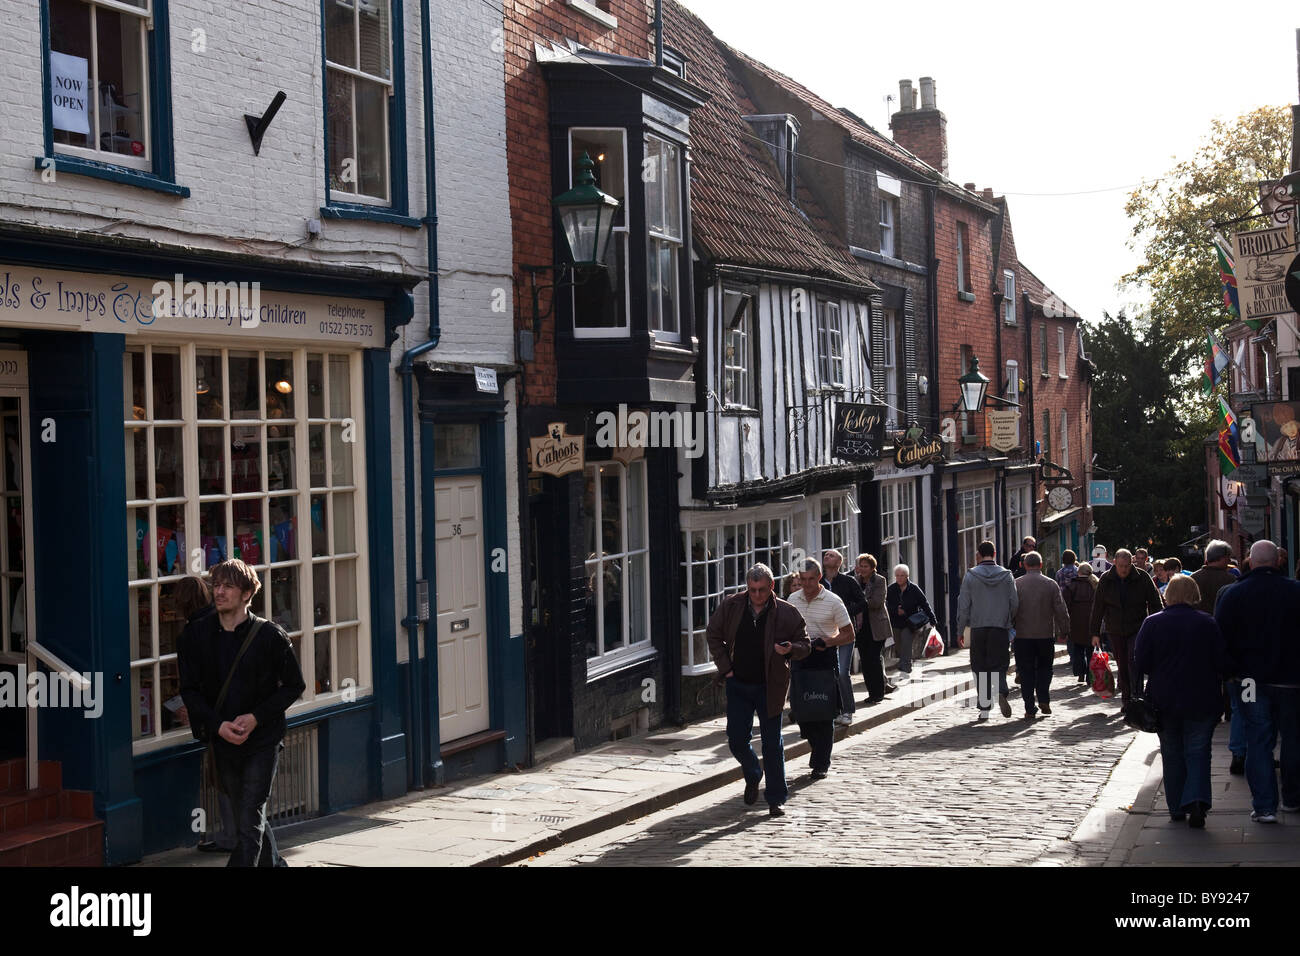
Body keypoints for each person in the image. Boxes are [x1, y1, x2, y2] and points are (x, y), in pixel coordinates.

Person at [179, 559, 306, 866]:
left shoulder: (269, 636)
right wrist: (217, 725)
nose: (219, 592)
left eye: (228, 586)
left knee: (249, 814)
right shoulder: (195, 636)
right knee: (246, 814)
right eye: (216, 585)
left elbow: (294, 686)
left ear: (248, 593)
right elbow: (190, 691)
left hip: (262, 739)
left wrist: (256, 717)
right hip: (223, 740)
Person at [706, 563, 810, 817]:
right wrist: (726, 669)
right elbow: (713, 635)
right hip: (739, 684)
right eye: (752, 590)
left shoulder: (787, 612)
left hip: (770, 686)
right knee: (737, 739)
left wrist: (790, 650)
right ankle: (753, 772)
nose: (757, 595)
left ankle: (776, 799)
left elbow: (805, 644)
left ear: (771, 586)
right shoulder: (732, 606)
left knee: (772, 743)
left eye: (762, 590)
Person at [1213, 539, 1300, 823]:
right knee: (1293, 740)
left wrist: (1231, 673)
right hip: (1291, 680)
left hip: (1249, 681)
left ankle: (1264, 807)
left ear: (1250, 561)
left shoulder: (1234, 594)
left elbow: (1220, 638)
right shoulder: (1295, 592)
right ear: (1277, 562)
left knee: (1258, 740)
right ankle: (1292, 799)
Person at [1133, 575, 1229, 828]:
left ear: (1168, 595)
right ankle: (1197, 801)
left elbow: (1141, 662)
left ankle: (1176, 806)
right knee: (1198, 752)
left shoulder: (1152, 623)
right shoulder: (1207, 623)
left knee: (1172, 753)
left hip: (1164, 699)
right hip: (1202, 698)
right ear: (1194, 594)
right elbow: (1222, 662)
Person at [173, 575, 237, 854]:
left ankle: (232, 837)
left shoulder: (190, 635)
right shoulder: (226, 620)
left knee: (223, 778)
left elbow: (194, 684)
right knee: (239, 779)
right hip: (241, 710)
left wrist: (197, 712)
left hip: (216, 717)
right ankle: (241, 838)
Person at [787, 558, 855, 781]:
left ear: (819, 578)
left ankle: (821, 763)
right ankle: (817, 750)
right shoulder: (792, 599)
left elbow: (848, 634)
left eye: (810, 579)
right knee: (802, 713)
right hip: (800, 656)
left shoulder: (833, 601)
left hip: (824, 657)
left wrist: (828, 641)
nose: (806, 584)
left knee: (824, 713)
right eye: (802, 580)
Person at [1089, 548, 1163, 715]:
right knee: (1122, 663)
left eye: (1127, 566)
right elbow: (1098, 607)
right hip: (1115, 628)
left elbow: (1154, 602)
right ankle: (1127, 698)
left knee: (1133, 660)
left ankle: (1137, 696)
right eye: (1121, 566)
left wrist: (1158, 625)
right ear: (1115, 562)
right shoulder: (1106, 580)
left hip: (1137, 627)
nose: (1124, 569)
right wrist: (1094, 633)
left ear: (1132, 564)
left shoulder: (1142, 577)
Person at [955, 540, 1018, 720]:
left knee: (979, 666)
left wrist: (960, 630)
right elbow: (1015, 602)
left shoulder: (971, 576)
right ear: (995, 554)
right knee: (998, 663)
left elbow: (964, 606)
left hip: (978, 627)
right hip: (999, 627)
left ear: (978, 555)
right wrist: (1009, 620)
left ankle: (984, 706)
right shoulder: (1007, 575)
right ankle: (1000, 691)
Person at [1013, 552, 1071, 718]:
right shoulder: (1050, 584)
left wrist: (1009, 627)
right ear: (1041, 565)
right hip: (1045, 635)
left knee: (1026, 671)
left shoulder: (1017, 584)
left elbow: (1011, 609)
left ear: (1025, 565)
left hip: (1023, 636)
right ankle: (1043, 698)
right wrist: (1065, 629)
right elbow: (1060, 609)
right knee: (1045, 668)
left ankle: (1029, 706)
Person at [822, 549, 866, 726]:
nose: (827, 556)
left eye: (831, 555)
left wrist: (847, 612)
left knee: (842, 673)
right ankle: (832, 710)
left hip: (846, 633)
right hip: (825, 633)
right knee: (828, 674)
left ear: (839, 563)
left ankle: (847, 711)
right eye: (825, 555)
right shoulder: (818, 582)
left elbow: (863, 602)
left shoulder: (848, 582)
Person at [854, 554, 895, 704]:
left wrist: (858, 604)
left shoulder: (879, 580)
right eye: (861, 566)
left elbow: (877, 602)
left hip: (876, 626)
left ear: (872, 568)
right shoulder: (855, 581)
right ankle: (871, 692)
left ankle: (879, 692)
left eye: (866, 566)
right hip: (860, 626)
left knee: (874, 659)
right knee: (865, 660)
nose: (863, 569)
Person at [886, 563, 939, 681]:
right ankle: (903, 662)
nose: (899, 578)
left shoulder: (914, 589)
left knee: (906, 642)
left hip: (910, 622)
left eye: (902, 575)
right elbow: (885, 605)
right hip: (895, 622)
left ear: (907, 576)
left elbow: (925, 604)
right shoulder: (891, 589)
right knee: (898, 645)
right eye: (897, 575)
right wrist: (895, 610)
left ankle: (906, 667)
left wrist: (932, 619)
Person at [1064, 562, 1097, 683]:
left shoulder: (1071, 586)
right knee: (1090, 650)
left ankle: (1080, 672)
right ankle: (1089, 675)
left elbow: (1065, 605)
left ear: (1079, 572)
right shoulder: (1095, 585)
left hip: (1076, 622)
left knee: (1077, 648)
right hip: (1091, 621)